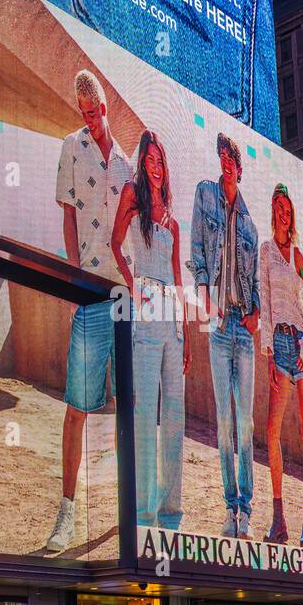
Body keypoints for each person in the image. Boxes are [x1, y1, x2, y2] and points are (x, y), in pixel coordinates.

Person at [47, 70, 135, 552]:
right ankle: (66, 513)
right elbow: (67, 212)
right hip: (91, 292)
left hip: (125, 296)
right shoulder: (70, 146)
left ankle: (126, 509)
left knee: (126, 408)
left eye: (93, 112)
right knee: (78, 406)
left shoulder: (127, 165)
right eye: (81, 113)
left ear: (105, 108)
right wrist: (74, 274)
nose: (88, 120)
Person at [110, 131, 190, 531]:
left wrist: (186, 329)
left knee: (174, 415)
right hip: (145, 308)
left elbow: (178, 275)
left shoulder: (173, 221)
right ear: (142, 163)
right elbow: (115, 241)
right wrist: (131, 284)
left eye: (161, 162)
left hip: (172, 317)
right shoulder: (132, 197)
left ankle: (170, 513)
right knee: (145, 415)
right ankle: (142, 511)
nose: (156, 168)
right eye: (151, 160)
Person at [188, 132, 261, 539]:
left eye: (231, 157)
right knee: (223, 421)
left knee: (245, 422)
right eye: (221, 156)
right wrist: (204, 301)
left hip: (243, 330)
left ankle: (246, 508)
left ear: (240, 164)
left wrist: (257, 316)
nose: (226, 163)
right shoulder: (204, 194)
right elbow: (197, 250)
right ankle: (229, 506)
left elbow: (255, 281)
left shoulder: (250, 221)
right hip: (218, 326)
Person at [258, 184, 303, 546]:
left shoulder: (298, 257)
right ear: (273, 210)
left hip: (300, 347)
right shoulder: (266, 252)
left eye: (288, 208)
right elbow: (264, 300)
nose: (284, 212)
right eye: (279, 206)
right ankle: (279, 519)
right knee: (272, 431)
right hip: (278, 345)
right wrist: (268, 350)